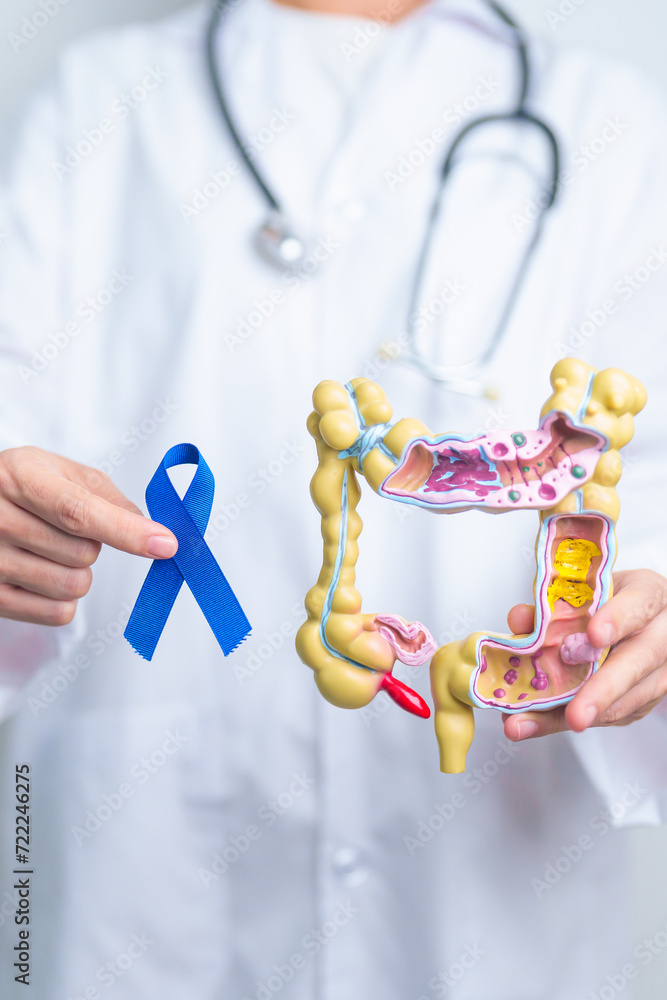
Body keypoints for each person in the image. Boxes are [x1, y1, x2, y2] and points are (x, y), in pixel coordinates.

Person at [1, 0, 667, 996]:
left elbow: (645, 473)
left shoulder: (615, 123)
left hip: (499, 876)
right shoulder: (98, 101)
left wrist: (645, 605)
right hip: (146, 853)